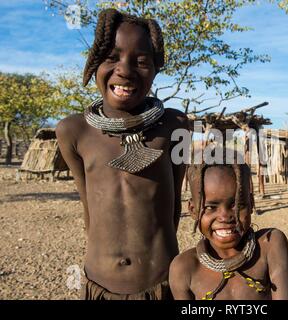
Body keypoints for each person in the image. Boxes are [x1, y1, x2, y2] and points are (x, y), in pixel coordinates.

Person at [56, 8, 188, 300]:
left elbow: (175, 204)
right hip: (99, 286)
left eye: (141, 61)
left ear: (155, 69)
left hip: (161, 284)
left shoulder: (176, 126)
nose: (125, 70)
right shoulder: (72, 131)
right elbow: (88, 207)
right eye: (111, 57)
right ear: (94, 63)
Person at [169, 156, 288, 300]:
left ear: (251, 204)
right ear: (193, 210)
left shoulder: (270, 245)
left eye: (237, 205)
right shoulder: (184, 269)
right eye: (210, 207)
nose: (225, 217)